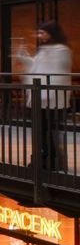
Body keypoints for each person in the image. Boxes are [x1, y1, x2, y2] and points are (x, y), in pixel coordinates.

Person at [19, 21, 73, 170]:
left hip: (50, 98)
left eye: (42, 32)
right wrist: (23, 56)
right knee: (42, 130)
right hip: (41, 96)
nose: (39, 35)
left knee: (48, 130)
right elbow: (35, 67)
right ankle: (45, 159)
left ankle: (51, 161)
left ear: (51, 33)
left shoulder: (61, 50)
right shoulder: (45, 50)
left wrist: (44, 92)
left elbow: (58, 74)